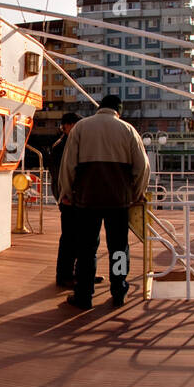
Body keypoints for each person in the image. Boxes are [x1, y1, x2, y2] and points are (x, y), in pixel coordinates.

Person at [56, 95, 150, 308]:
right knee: (118, 248)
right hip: (119, 201)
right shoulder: (128, 130)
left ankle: (84, 294)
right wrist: (135, 193)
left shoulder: (81, 128)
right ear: (119, 110)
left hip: (87, 200)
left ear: (100, 107)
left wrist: (67, 192)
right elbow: (142, 168)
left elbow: (68, 165)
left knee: (86, 249)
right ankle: (119, 290)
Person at [41, 112, 85, 291]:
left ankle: (80, 273)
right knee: (69, 238)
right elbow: (60, 174)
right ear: (66, 126)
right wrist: (65, 195)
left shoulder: (68, 143)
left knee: (78, 238)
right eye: (75, 125)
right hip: (67, 198)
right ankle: (64, 275)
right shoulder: (62, 146)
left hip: (72, 196)